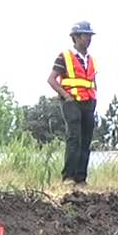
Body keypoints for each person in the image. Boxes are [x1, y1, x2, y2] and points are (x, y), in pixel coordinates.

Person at [48, 21, 97, 188]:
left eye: (90, 36)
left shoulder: (91, 60)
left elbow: (92, 81)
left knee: (86, 139)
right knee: (74, 138)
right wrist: (66, 96)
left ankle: (81, 178)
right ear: (75, 37)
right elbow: (51, 79)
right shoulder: (64, 56)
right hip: (72, 102)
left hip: (89, 102)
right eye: (85, 36)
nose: (88, 39)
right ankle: (68, 176)